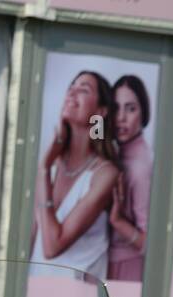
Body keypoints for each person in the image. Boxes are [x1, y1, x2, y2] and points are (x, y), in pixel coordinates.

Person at [30, 71, 120, 278]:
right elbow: (30, 240)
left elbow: (52, 247)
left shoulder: (104, 174)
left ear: (101, 111)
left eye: (84, 89)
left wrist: (43, 169)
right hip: (34, 293)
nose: (72, 91)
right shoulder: (51, 164)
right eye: (72, 86)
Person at [107, 74, 153, 282]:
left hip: (127, 270)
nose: (121, 117)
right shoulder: (117, 154)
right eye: (116, 108)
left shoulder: (139, 168)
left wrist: (117, 221)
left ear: (143, 114)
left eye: (131, 108)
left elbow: (149, 243)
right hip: (108, 265)